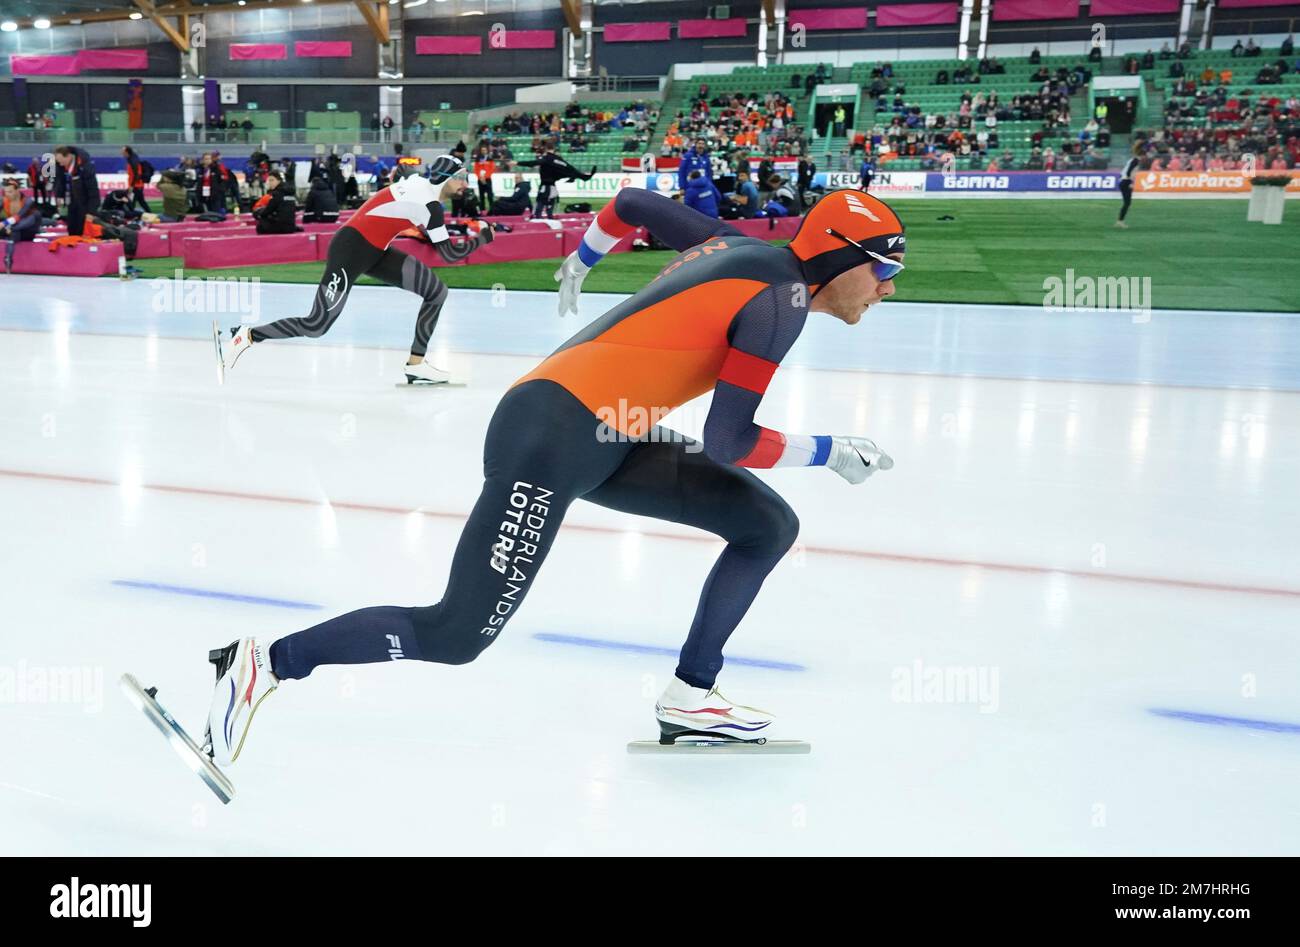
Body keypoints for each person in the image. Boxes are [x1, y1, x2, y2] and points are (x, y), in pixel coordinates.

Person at [204, 187, 903, 764]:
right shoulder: (780, 301)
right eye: (883, 270)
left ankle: (693, 696)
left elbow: (631, 203)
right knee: (456, 635)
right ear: (842, 260)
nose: (887, 290)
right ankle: (267, 661)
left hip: (605, 430)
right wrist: (830, 450)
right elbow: (729, 439)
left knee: (766, 525)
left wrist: (584, 259)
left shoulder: (740, 247)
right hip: (550, 434)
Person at [219, 157, 492, 386]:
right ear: (445, 178)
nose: (465, 184)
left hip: (375, 251)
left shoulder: (417, 180)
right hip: (350, 249)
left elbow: (403, 171)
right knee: (316, 325)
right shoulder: (431, 208)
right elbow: (450, 254)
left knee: (436, 292)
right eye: (460, 178)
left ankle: (416, 365)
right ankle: (245, 336)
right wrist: (483, 237)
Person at [515, 139, 596, 219]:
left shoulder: (547, 159)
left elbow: (532, 163)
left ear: (545, 148)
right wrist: (582, 176)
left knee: (539, 206)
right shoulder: (557, 159)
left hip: (545, 187)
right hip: (552, 187)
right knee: (550, 208)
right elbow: (570, 169)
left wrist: (517, 163)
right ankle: (549, 219)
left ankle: (539, 221)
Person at [53, 145, 99, 237]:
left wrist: (91, 212)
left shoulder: (85, 167)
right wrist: (59, 196)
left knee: (81, 229)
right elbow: (59, 180)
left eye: (61, 161)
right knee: (72, 227)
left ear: (69, 156)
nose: (60, 164)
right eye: (58, 162)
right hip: (72, 200)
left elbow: (93, 191)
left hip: (85, 202)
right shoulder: (60, 165)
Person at [1, 178, 42, 273]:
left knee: (35, 215)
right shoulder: (3, 200)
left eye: (10, 192)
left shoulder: (28, 201)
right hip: (14, 231)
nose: (7, 194)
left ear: (17, 190)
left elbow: (19, 216)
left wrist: (5, 224)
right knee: (14, 232)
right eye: (5, 192)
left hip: (28, 229)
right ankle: (8, 260)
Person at [1116, 147, 1141, 229]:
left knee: (1127, 203)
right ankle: (1120, 221)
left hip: (1123, 181)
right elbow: (1128, 172)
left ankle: (1120, 221)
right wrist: (1131, 182)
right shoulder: (1136, 161)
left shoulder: (1132, 160)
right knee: (1127, 203)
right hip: (1126, 182)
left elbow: (1124, 171)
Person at [122, 146, 152, 213]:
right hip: (137, 185)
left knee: (131, 202)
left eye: (122, 151)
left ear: (126, 152)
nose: (121, 153)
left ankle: (131, 215)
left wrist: (131, 186)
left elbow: (136, 175)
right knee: (141, 201)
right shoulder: (132, 159)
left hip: (136, 186)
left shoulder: (133, 161)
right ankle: (150, 213)